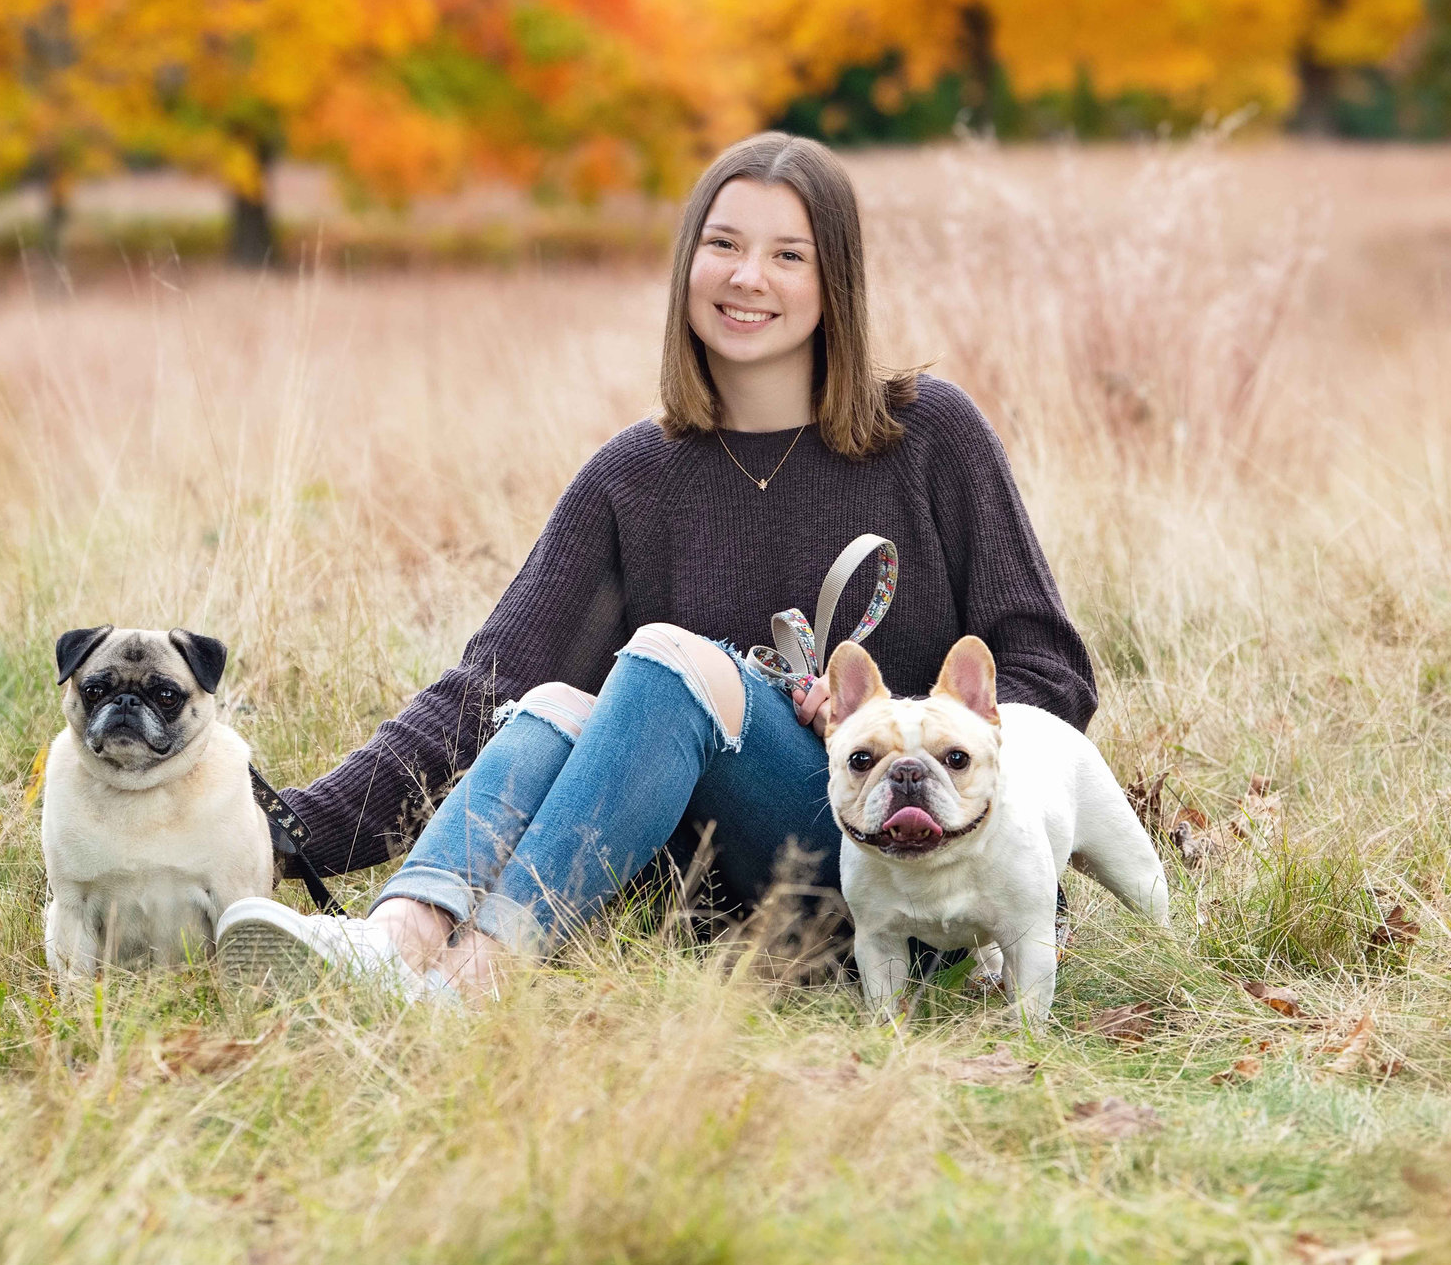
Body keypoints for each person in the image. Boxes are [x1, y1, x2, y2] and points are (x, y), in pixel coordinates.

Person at [213, 131, 1097, 998]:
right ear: (687, 266)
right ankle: (396, 940)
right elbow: (484, 689)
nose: (748, 277)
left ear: (835, 282)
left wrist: (901, 725)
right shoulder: (636, 476)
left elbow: (1047, 673)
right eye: (723, 245)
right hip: (718, 906)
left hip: (921, 876)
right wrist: (288, 830)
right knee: (555, 702)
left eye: (788, 255)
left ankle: (477, 978)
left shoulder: (930, 436)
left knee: (670, 661)